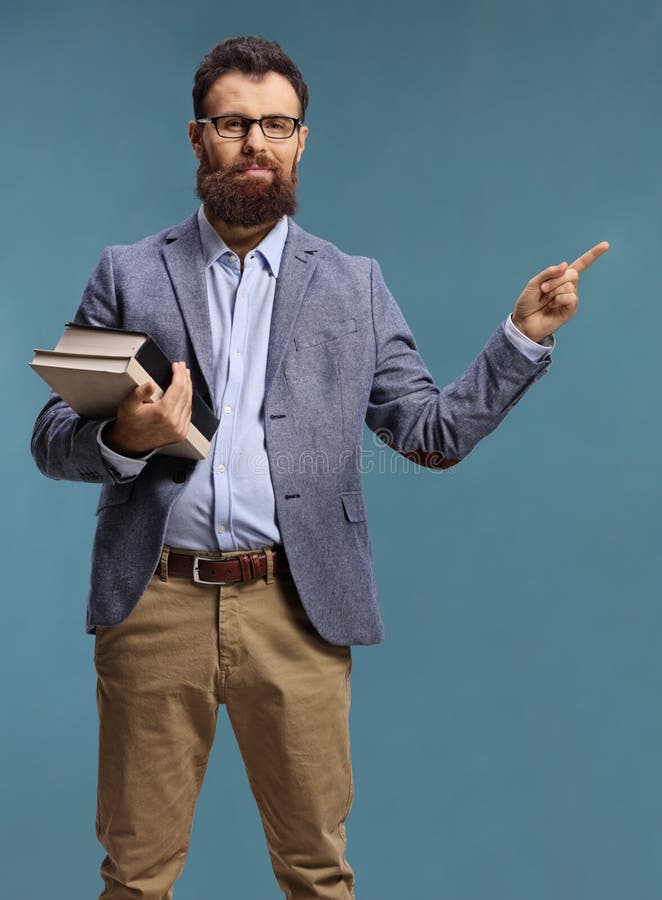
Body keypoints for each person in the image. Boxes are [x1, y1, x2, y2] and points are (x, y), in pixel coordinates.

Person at [31, 34, 608, 900]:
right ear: (198, 138)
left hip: (296, 608)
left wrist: (522, 336)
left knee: (315, 871)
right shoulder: (130, 273)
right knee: (136, 874)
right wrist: (131, 440)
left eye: (276, 124)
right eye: (233, 122)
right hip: (152, 604)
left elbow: (431, 434)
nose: (255, 142)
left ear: (304, 139)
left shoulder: (354, 285)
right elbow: (50, 436)